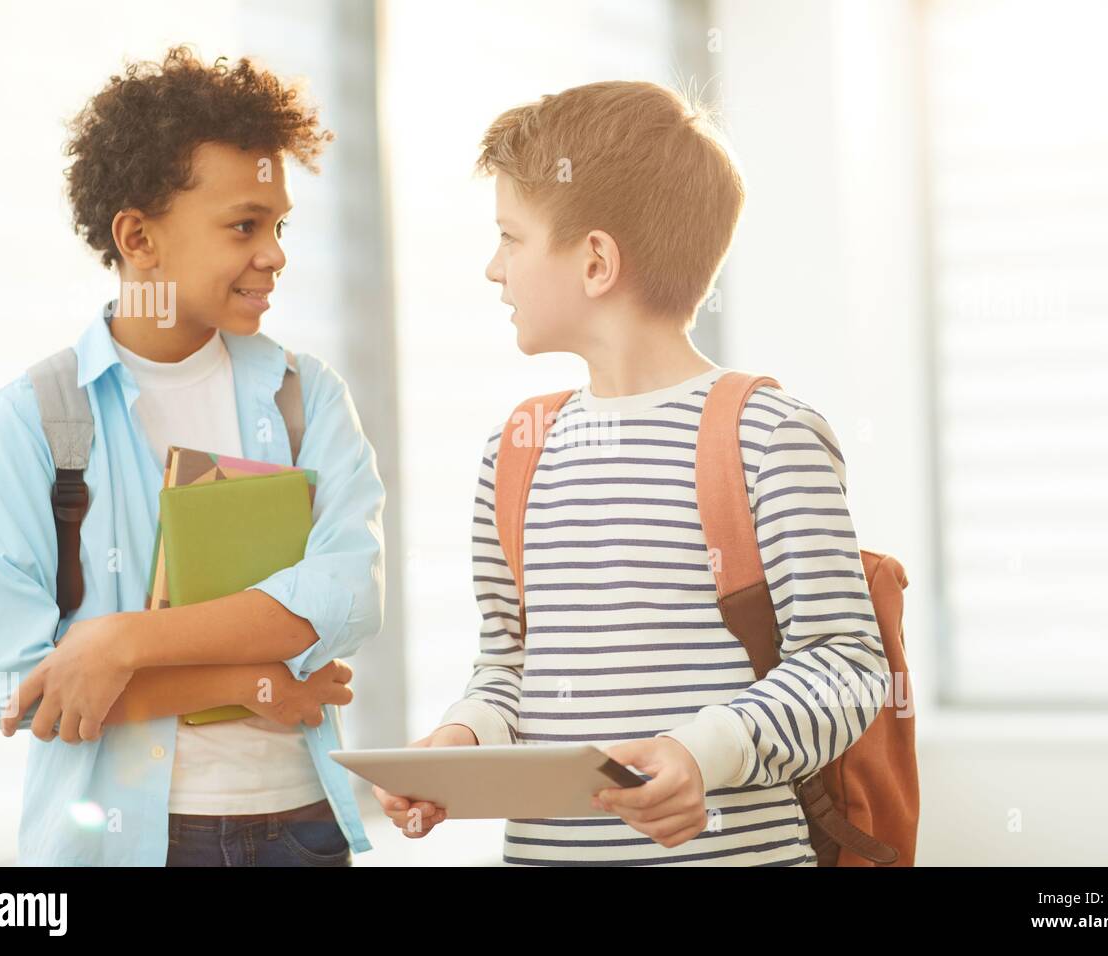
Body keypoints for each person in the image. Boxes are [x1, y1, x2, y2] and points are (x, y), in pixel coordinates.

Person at [373, 80, 891, 865]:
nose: (491, 268)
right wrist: (462, 739)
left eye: (510, 238)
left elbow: (847, 667)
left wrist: (702, 750)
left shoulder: (769, 435)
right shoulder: (516, 450)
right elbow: (509, 666)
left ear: (595, 261)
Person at [0, 45, 385, 866]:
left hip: (301, 828)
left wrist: (120, 642)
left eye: (279, 224)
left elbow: (346, 597)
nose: (276, 254)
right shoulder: (34, 422)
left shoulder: (306, 396)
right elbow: (8, 689)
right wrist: (248, 681)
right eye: (243, 226)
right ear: (138, 237)